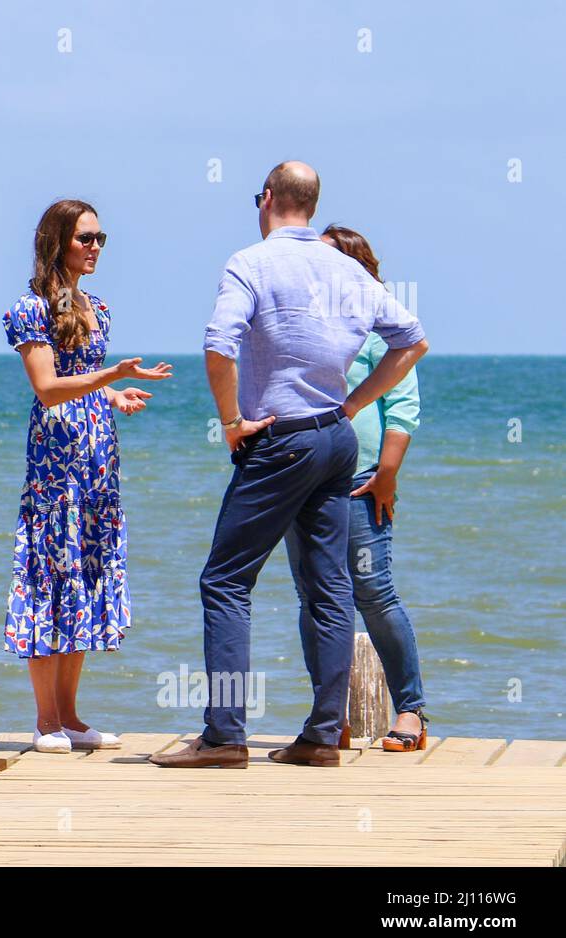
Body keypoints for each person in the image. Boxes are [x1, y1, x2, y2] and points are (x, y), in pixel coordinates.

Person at [150, 162, 428, 770]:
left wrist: (230, 423)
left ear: (268, 199)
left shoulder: (251, 262)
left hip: (282, 438)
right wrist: (352, 403)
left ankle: (224, 737)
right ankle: (324, 736)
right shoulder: (348, 270)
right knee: (329, 591)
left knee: (225, 581)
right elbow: (413, 340)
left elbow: (218, 346)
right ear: (312, 202)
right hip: (336, 440)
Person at [1, 198, 173, 753]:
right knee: (52, 574)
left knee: (84, 573)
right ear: (58, 242)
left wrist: (115, 392)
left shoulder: (96, 305)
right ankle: (45, 721)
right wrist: (111, 373)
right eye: (85, 238)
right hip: (56, 465)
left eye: (101, 238)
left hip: (98, 460)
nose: (95, 247)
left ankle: (71, 718)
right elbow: (48, 388)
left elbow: (82, 380)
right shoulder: (30, 308)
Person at [284, 225, 429, 752]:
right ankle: (331, 716)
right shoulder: (301, 328)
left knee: (374, 594)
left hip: (363, 485)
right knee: (315, 599)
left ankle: (410, 709)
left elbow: (403, 408)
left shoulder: (378, 329)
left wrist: (386, 474)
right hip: (303, 482)